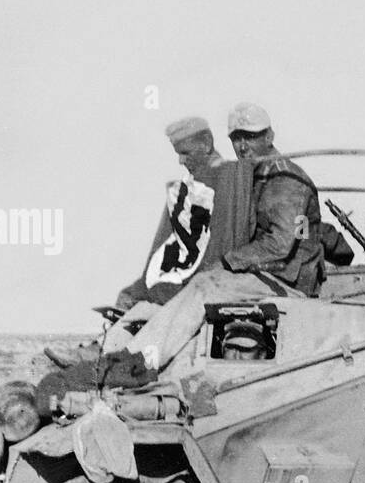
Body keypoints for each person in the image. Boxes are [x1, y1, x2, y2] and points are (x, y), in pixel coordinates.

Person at [46, 116, 258, 368]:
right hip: (188, 270)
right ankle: (105, 352)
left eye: (185, 153)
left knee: (151, 300)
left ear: (207, 143)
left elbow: (221, 240)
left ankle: (116, 359)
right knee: (139, 297)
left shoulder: (229, 181)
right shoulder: (194, 185)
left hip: (210, 275)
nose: (181, 160)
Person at [225, 102, 327, 296]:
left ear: (269, 137)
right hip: (266, 274)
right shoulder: (251, 176)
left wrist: (227, 261)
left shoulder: (286, 179)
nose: (243, 147)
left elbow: (280, 244)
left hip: (289, 281)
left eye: (251, 137)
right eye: (237, 138)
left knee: (206, 286)